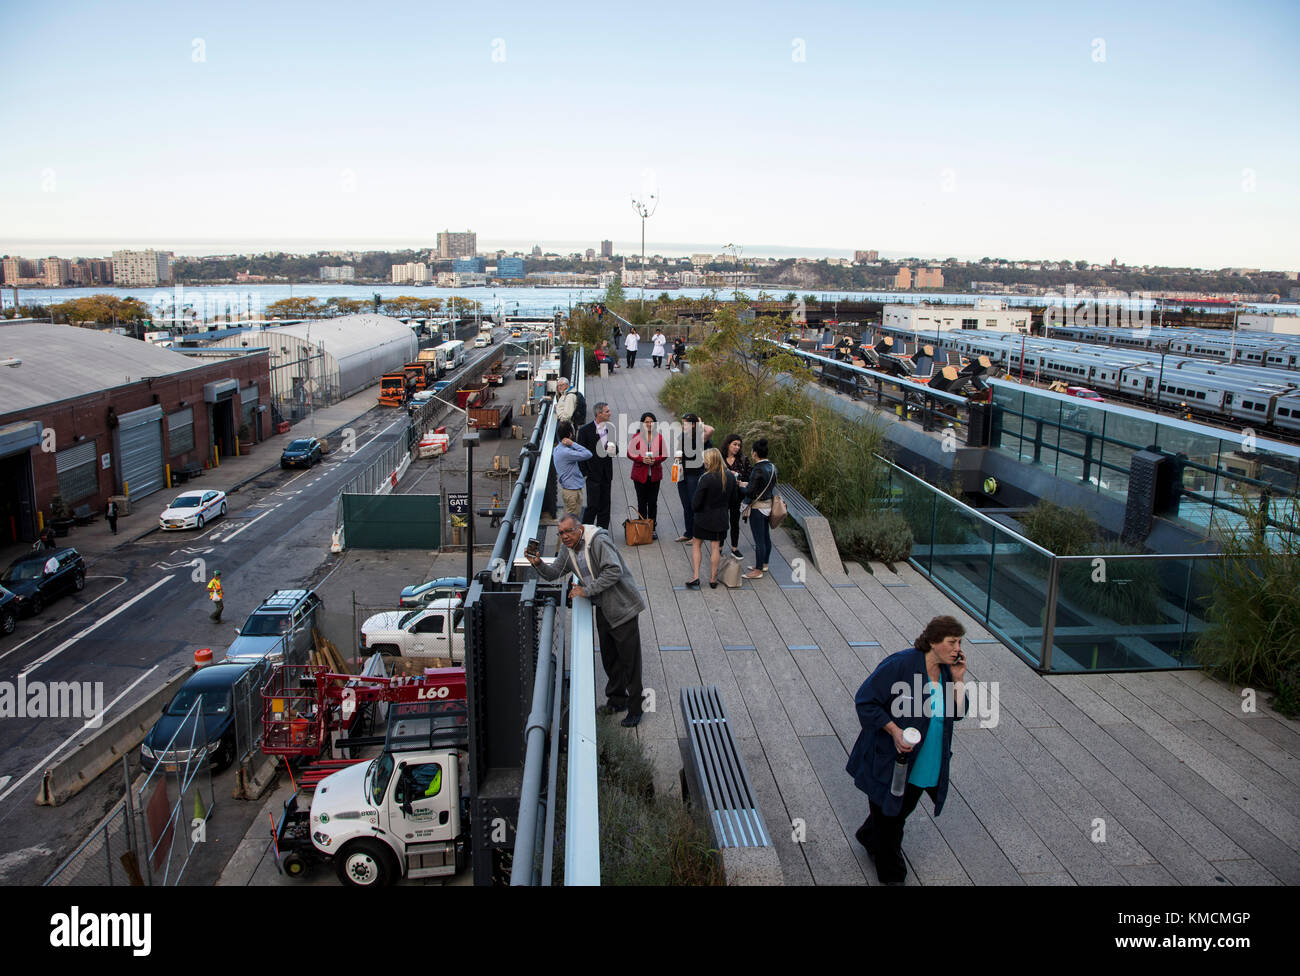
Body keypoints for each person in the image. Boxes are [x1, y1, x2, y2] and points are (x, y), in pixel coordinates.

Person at [845, 615, 970, 885]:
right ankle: (893, 877)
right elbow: (865, 702)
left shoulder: (949, 671)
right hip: (892, 763)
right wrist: (894, 731)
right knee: (892, 825)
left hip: (927, 761)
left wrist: (959, 680)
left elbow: (958, 713)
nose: (957, 648)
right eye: (952, 642)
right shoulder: (900, 665)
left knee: (898, 811)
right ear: (934, 642)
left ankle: (868, 835)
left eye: (959, 642)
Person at [527, 513, 647, 727]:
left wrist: (587, 590)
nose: (564, 536)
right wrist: (537, 563)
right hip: (603, 607)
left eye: (567, 531)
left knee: (630, 662)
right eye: (560, 533)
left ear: (579, 529)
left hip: (622, 607)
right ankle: (617, 701)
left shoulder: (598, 541)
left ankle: (636, 708)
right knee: (610, 659)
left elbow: (614, 571)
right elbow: (555, 572)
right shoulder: (568, 548)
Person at [686, 448, 731, 589]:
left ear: (710, 460)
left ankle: (696, 577)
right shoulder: (729, 476)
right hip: (721, 517)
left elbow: (696, 502)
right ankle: (713, 578)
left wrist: (695, 509)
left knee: (696, 545)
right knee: (715, 547)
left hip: (703, 518)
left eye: (705, 459)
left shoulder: (706, 478)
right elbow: (734, 498)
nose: (704, 462)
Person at [626, 411, 667, 541]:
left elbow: (664, 454)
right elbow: (630, 453)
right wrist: (641, 459)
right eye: (646, 422)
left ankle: (652, 527)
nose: (649, 424)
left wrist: (655, 460)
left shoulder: (659, 437)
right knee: (641, 502)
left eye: (651, 422)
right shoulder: (637, 436)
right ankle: (643, 527)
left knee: (653, 502)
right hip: (640, 474)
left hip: (654, 474)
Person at [674, 413, 714, 543]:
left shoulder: (700, 437)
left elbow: (711, 430)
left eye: (685, 423)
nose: (682, 425)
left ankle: (697, 535)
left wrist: (699, 422)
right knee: (686, 505)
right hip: (682, 473)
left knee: (694, 504)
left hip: (695, 474)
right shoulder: (683, 436)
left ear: (692, 424)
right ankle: (688, 533)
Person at [741, 438, 776, 579]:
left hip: (758, 508)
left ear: (755, 453)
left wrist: (741, 486)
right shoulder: (773, 467)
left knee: (759, 539)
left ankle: (758, 570)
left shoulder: (758, 469)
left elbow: (750, 491)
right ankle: (764, 563)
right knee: (766, 537)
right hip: (768, 506)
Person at [578, 402, 614, 529]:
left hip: (606, 474)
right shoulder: (584, 431)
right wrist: (586, 473)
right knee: (592, 506)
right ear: (599, 414)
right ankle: (585, 532)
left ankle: (603, 534)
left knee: (605, 506)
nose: (610, 413)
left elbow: (612, 448)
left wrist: (614, 449)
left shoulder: (608, 429)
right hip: (593, 475)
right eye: (607, 411)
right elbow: (580, 454)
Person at [553, 421, 592, 519]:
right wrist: (573, 444)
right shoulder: (566, 452)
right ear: (570, 434)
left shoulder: (559, 449)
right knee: (570, 521)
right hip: (572, 491)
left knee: (570, 519)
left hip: (571, 488)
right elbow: (588, 454)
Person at [720, 434, 750, 558]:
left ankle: (734, 548)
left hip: (737, 495)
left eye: (739, 445)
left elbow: (749, 477)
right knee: (722, 522)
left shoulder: (743, 459)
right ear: (728, 444)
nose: (737, 447)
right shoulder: (720, 457)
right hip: (722, 494)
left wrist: (739, 480)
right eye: (734, 444)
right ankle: (719, 547)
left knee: (734, 522)